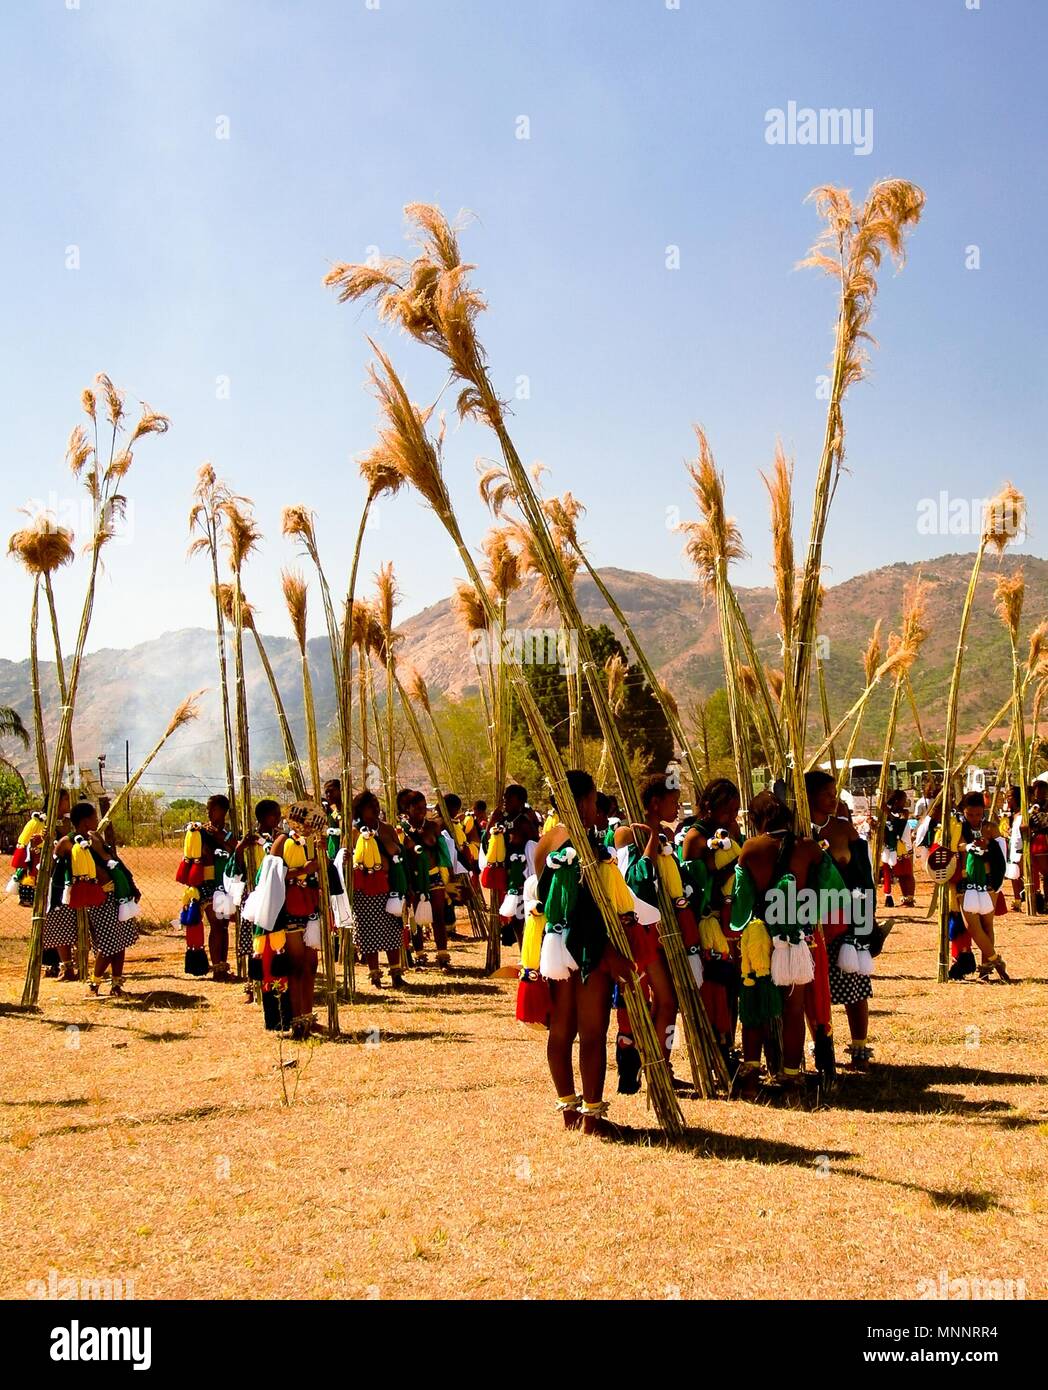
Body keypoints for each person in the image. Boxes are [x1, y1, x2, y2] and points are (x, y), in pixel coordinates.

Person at [535, 769, 635, 1138]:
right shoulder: (584, 844)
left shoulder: (547, 841)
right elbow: (583, 909)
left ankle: (569, 1111)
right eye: (594, 800)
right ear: (581, 802)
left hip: (554, 945)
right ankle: (592, 1118)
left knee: (562, 1029)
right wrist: (608, 952)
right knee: (593, 1032)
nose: (597, 807)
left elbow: (546, 901)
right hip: (587, 947)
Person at [728, 791, 824, 1102]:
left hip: (757, 937)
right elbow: (828, 891)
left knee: (755, 1009)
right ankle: (792, 1081)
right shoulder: (808, 849)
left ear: (756, 820)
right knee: (793, 1011)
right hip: (795, 937)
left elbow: (741, 904)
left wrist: (735, 931)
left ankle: (752, 1077)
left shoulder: (751, 848)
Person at [614, 775, 688, 1091]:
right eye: (674, 802)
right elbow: (636, 879)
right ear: (656, 803)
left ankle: (661, 1064)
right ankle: (637, 1066)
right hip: (637, 935)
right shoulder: (628, 833)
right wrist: (654, 837)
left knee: (667, 1002)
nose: (678, 808)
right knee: (639, 1003)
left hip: (658, 934)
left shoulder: (662, 835)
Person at [805, 770, 877, 1069]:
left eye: (835, 793)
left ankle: (859, 1046)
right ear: (809, 797)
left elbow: (863, 878)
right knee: (812, 989)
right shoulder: (799, 831)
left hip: (846, 921)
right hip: (810, 920)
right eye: (827, 794)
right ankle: (821, 1043)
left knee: (854, 984)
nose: (834, 799)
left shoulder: (844, 830)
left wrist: (865, 921)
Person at [677, 778, 743, 1066]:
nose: (732, 816)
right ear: (708, 807)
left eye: (736, 810)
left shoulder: (733, 830)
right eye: (726, 810)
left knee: (732, 990)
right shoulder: (694, 836)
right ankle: (712, 1054)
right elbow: (696, 881)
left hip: (732, 922)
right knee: (713, 988)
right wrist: (727, 866)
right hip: (706, 923)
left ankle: (729, 1046)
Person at [51, 801, 141, 997]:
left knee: (121, 940)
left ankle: (117, 985)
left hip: (117, 894)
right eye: (94, 817)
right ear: (85, 821)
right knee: (108, 943)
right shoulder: (67, 842)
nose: (96, 820)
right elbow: (55, 869)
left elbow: (115, 860)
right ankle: (94, 985)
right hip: (97, 898)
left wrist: (131, 885)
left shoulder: (95, 837)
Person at [349, 790, 410, 988]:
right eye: (370, 806)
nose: (376, 809)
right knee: (368, 933)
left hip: (389, 887)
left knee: (392, 931)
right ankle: (375, 975)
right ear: (360, 810)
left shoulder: (387, 829)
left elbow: (399, 856)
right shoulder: (354, 832)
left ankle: (396, 973)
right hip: (365, 891)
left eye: (377, 804)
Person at [9, 788, 72, 977]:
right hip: (43, 879)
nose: (68, 803)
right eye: (65, 799)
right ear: (57, 802)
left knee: (60, 918)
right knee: (48, 920)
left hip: (63, 877)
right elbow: (24, 853)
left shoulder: (68, 824)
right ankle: (50, 963)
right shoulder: (37, 823)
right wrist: (40, 843)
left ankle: (63, 962)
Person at [950, 791, 1009, 981]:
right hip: (966, 882)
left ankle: (985, 968)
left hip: (989, 880)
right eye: (970, 814)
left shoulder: (991, 827)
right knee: (972, 926)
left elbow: (1001, 855)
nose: (975, 818)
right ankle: (996, 960)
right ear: (963, 812)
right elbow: (957, 845)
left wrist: (998, 883)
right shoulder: (957, 827)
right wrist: (966, 847)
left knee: (987, 924)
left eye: (978, 814)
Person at [235, 799, 283, 1002]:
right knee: (252, 941)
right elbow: (236, 861)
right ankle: (251, 984)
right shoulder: (250, 839)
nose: (278, 818)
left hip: (272, 894)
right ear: (263, 817)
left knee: (275, 939)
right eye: (274, 814)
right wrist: (242, 846)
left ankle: (275, 981)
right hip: (254, 894)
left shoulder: (280, 838)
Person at [403, 791, 453, 969]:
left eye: (423, 808)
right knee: (415, 918)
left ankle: (442, 955)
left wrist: (451, 876)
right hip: (414, 879)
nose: (421, 811)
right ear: (407, 809)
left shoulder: (433, 827)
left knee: (438, 916)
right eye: (416, 808)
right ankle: (419, 955)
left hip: (433, 876)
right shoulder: (401, 829)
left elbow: (443, 853)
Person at [877, 788, 916, 907]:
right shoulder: (883, 814)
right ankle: (888, 897)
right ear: (897, 801)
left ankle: (908, 898)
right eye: (904, 800)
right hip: (888, 849)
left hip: (902, 848)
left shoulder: (904, 812)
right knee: (889, 874)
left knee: (906, 874)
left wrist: (886, 811)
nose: (905, 803)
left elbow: (899, 823)